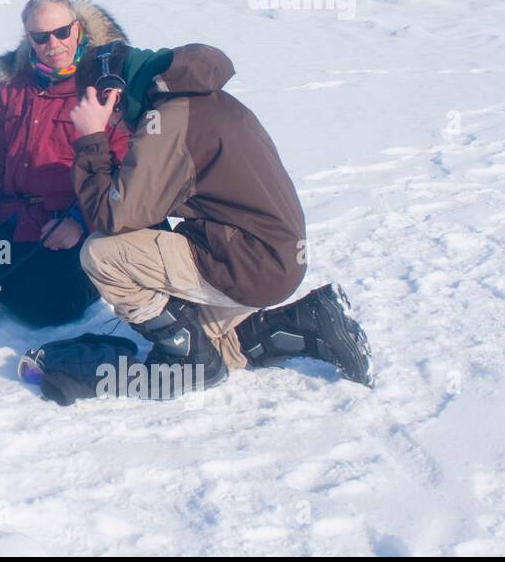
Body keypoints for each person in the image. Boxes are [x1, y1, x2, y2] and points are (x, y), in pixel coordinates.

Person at [65, 41, 373, 399]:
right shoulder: (201, 99)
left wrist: (91, 139)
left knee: (101, 252)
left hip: (247, 262)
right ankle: (314, 321)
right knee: (216, 345)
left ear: (112, 93)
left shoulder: (170, 118)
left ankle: (186, 360)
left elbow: (113, 217)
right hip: (272, 260)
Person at [0, 0, 131, 326]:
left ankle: (95, 275)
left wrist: (79, 221)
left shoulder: (103, 87)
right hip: (12, 215)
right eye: (41, 36)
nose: (54, 43)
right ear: (29, 39)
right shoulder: (13, 84)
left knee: (41, 309)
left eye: (62, 32)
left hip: (69, 223)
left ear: (76, 29)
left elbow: (125, 169)